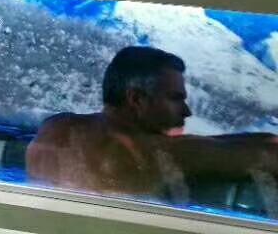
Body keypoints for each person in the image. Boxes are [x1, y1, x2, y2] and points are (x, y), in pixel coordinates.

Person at [27, 46, 278, 202]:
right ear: (136, 99)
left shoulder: (55, 128)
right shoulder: (153, 155)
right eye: (175, 99)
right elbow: (267, 156)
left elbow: (211, 143)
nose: (187, 111)